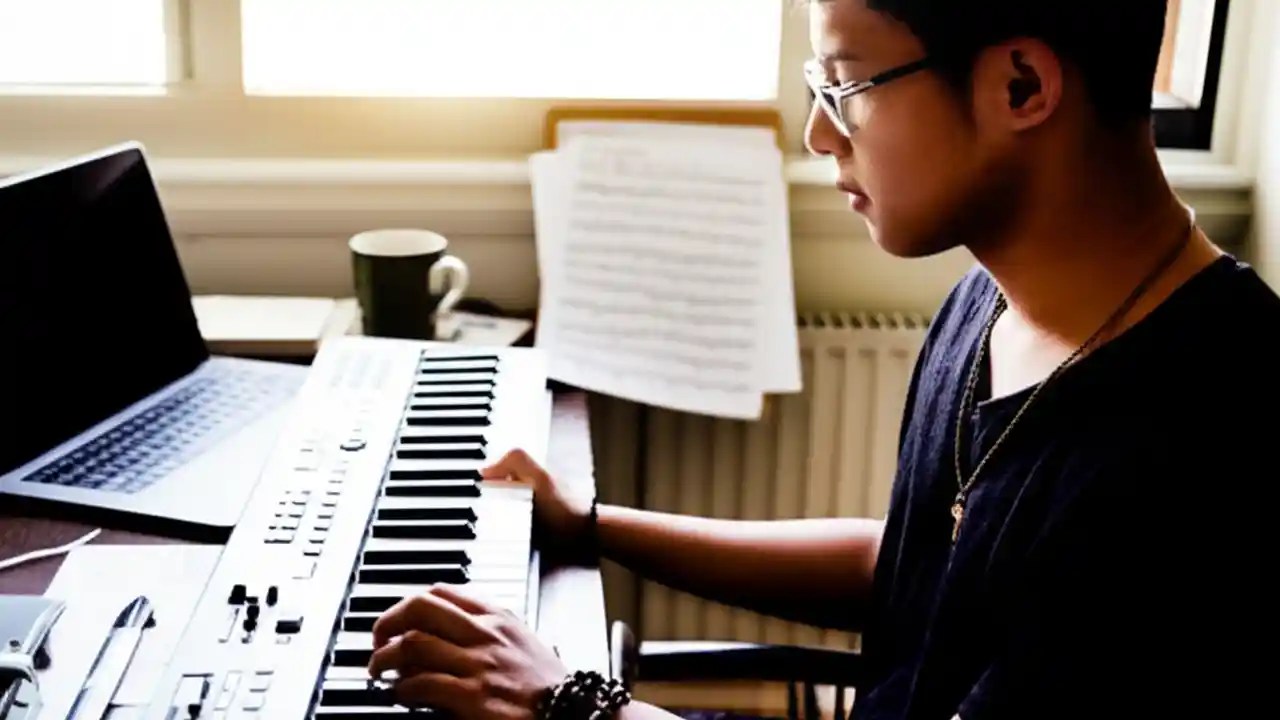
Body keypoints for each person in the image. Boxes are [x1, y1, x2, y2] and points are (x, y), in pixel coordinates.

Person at [364, 1, 1278, 718]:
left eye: (845, 84)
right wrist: (595, 525)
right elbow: (918, 565)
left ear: (1022, 85)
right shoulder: (990, 305)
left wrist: (563, 699)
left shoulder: (1209, 442)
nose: (817, 133)